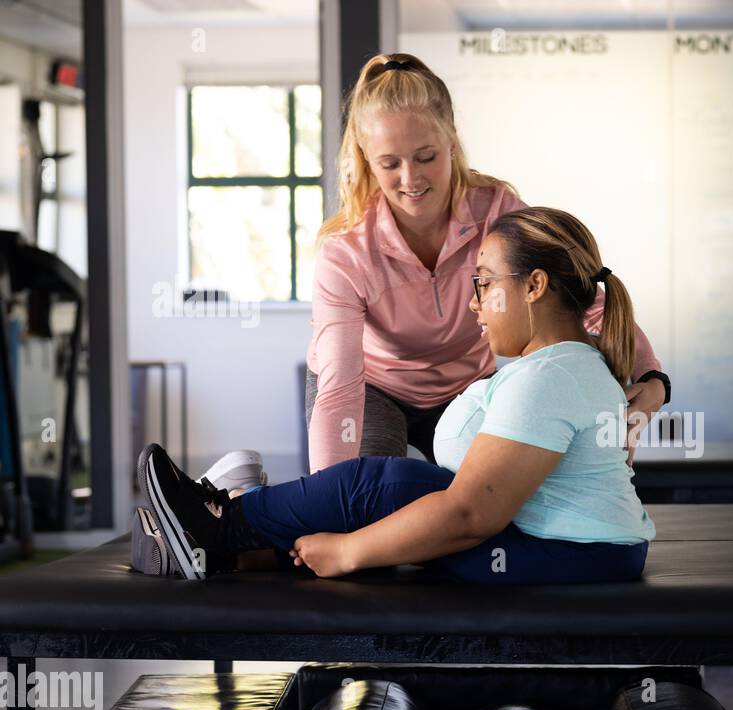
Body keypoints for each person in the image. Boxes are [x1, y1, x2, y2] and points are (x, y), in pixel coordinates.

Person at [139, 206, 655, 585]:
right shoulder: (560, 366)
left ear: (535, 285)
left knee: (381, 486)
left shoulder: (553, 376)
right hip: (579, 552)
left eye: (484, 283)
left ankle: (222, 524)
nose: (475, 305)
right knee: (396, 487)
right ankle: (228, 544)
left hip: (572, 558)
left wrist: (348, 552)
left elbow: (470, 516)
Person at [305, 52, 670, 474]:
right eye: (390, 163)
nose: (411, 179)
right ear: (367, 158)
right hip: (370, 386)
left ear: (452, 142)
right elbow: (339, 390)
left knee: (493, 500)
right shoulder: (345, 250)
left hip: (467, 385)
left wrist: (652, 378)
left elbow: (576, 297)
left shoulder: (496, 211)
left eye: (427, 156)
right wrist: (330, 504)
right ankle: (242, 498)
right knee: (367, 494)